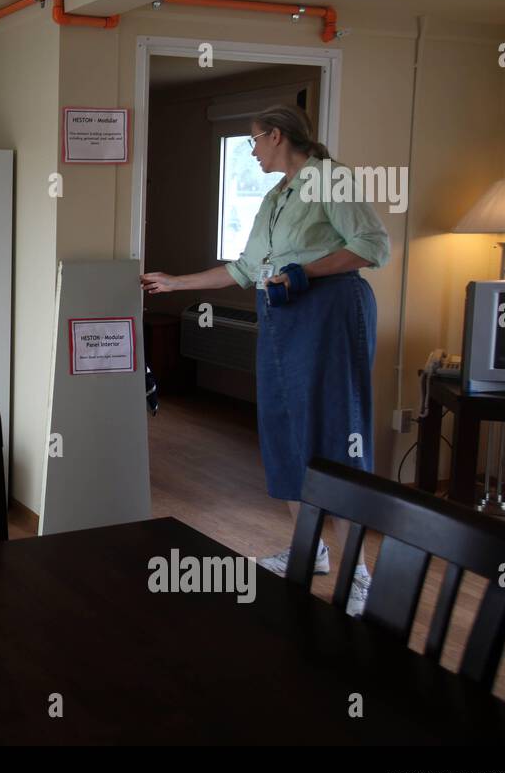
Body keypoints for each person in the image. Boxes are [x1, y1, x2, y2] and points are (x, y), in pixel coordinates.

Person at [140, 104, 390, 615]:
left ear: (277, 135)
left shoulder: (330, 178)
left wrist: (305, 272)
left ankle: (359, 574)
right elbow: (246, 269)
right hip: (282, 318)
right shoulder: (275, 197)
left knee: (335, 433)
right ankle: (309, 550)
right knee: (283, 431)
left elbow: (372, 246)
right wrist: (174, 283)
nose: (251, 151)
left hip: (329, 314)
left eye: (254, 140)